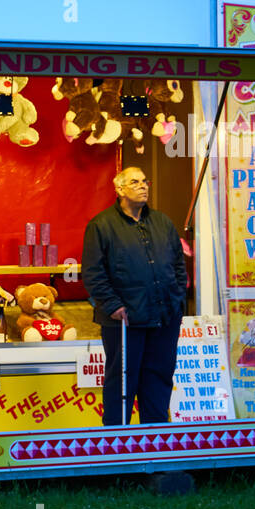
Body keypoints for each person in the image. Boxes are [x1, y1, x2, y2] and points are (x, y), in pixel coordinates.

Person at [81, 167, 187, 426]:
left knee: (159, 379)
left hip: (164, 319)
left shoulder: (163, 222)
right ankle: (119, 448)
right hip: (124, 321)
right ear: (120, 189)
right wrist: (113, 306)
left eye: (145, 181)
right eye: (135, 182)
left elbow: (177, 265)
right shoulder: (101, 225)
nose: (143, 186)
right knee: (122, 382)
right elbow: (93, 272)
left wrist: (177, 300)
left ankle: (155, 443)